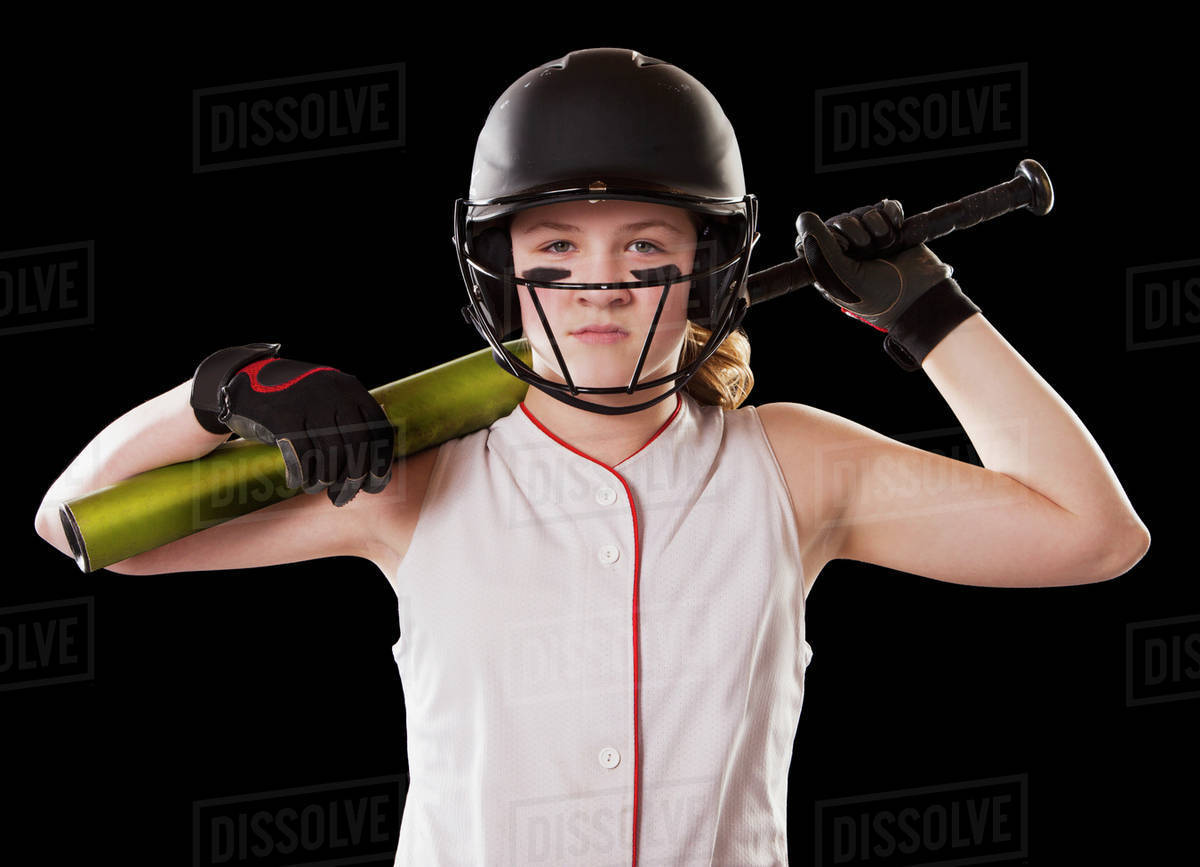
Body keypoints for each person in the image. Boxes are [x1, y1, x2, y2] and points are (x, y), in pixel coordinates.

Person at [35, 47, 1151, 866]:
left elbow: (1090, 535)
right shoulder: (409, 481)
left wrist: (930, 313)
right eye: (557, 246)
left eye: (647, 247)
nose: (604, 285)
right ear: (505, 272)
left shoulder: (798, 466)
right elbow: (85, 530)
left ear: (710, 268)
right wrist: (219, 395)